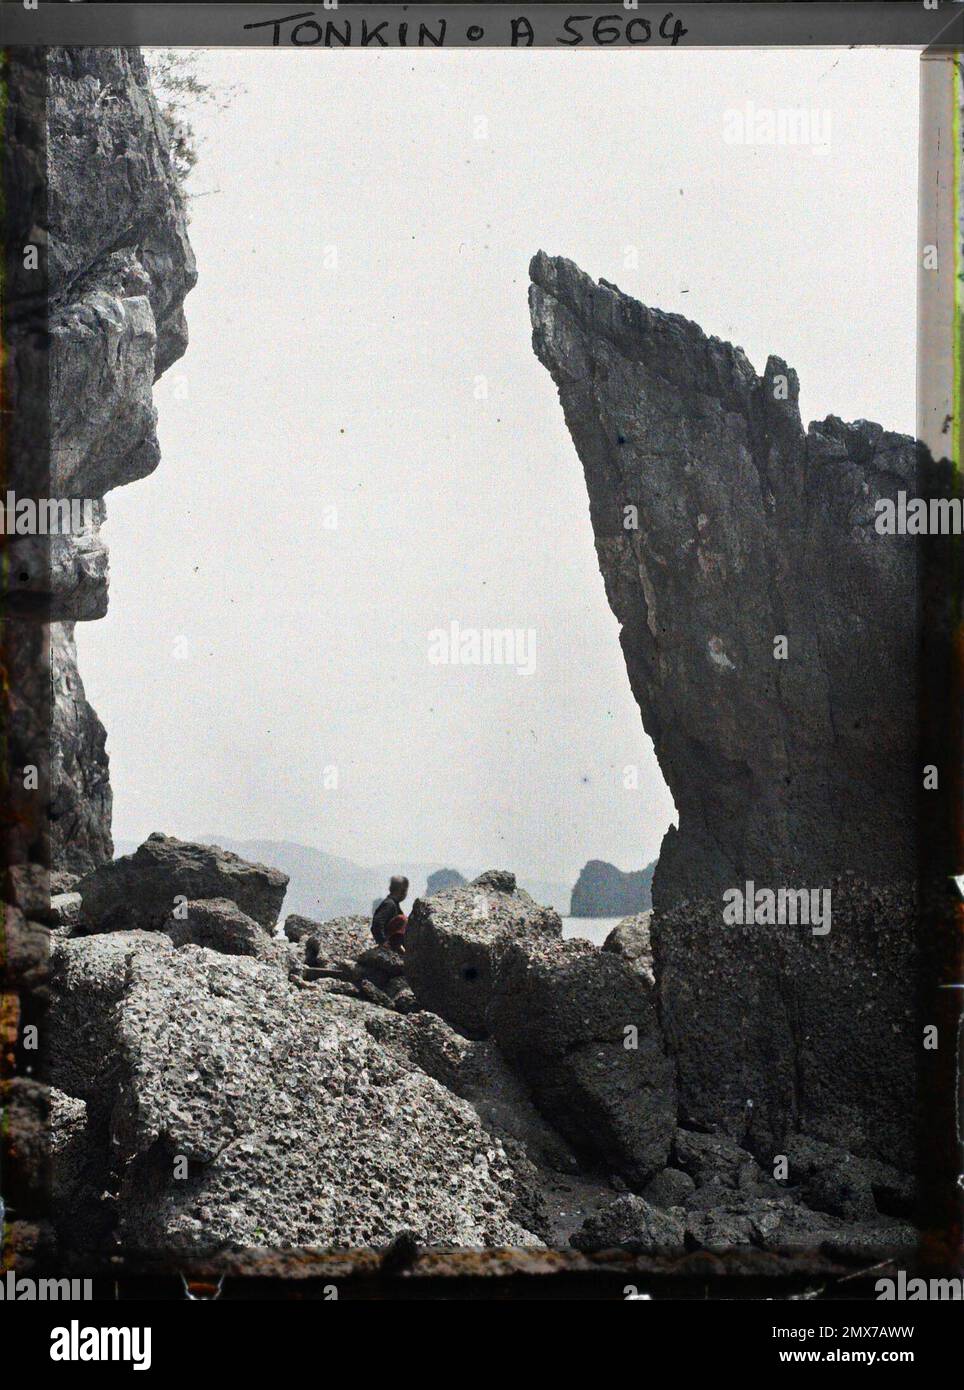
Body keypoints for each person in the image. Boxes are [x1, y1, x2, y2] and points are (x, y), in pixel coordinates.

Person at [371, 875, 409, 947]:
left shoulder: (394, 903)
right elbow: (377, 922)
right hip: (388, 940)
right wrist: (382, 941)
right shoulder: (389, 904)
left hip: (389, 938)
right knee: (402, 919)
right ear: (402, 891)